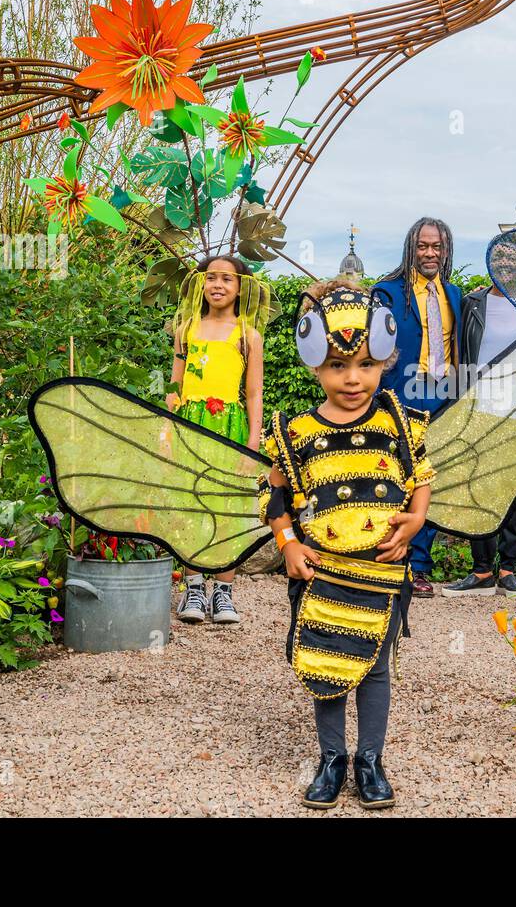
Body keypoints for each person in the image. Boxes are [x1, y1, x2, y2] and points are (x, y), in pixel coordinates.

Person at [259, 279, 433, 810]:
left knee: (377, 665)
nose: (352, 378)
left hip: (382, 572)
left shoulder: (400, 424)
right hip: (323, 572)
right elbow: (277, 500)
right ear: (315, 367)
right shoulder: (293, 433)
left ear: (385, 361)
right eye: (337, 366)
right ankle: (332, 759)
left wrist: (416, 519)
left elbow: (421, 476)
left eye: (363, 365)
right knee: (325, 660)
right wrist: (287, 544)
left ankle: (370, 760)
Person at [166, 254, 270, 624]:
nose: (218, 285)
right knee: (191, 504)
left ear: (241, 287)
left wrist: (253, 442)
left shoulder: (248, 335)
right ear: (201, 284)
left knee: (228, 507)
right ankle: (193, 588)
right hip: (191, 423)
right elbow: (175, 384)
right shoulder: (186, 329)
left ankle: (223, 592)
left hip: (230, 427)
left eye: (227, 279)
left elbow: (254, 392)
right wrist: (169, 426)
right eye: (211, 277)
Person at [370, 218, 463, 599]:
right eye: (423, 246)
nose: (430, 253)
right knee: (395, 476)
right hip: (399, 394)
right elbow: (373, 349)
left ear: (446, 250)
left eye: (436, 247)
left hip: (442, 393)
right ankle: (390, 560)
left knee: (429, 479)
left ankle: (419, 567)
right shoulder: (387, 293)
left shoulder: (455, 295)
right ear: (412, 248)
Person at [441, 278, 516, 599]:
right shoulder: (473, 304)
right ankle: (481, 570)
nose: (505, 265)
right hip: (478, 406)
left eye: (512, 259)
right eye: (500, 256)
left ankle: (508, 570)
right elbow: (458, 350)